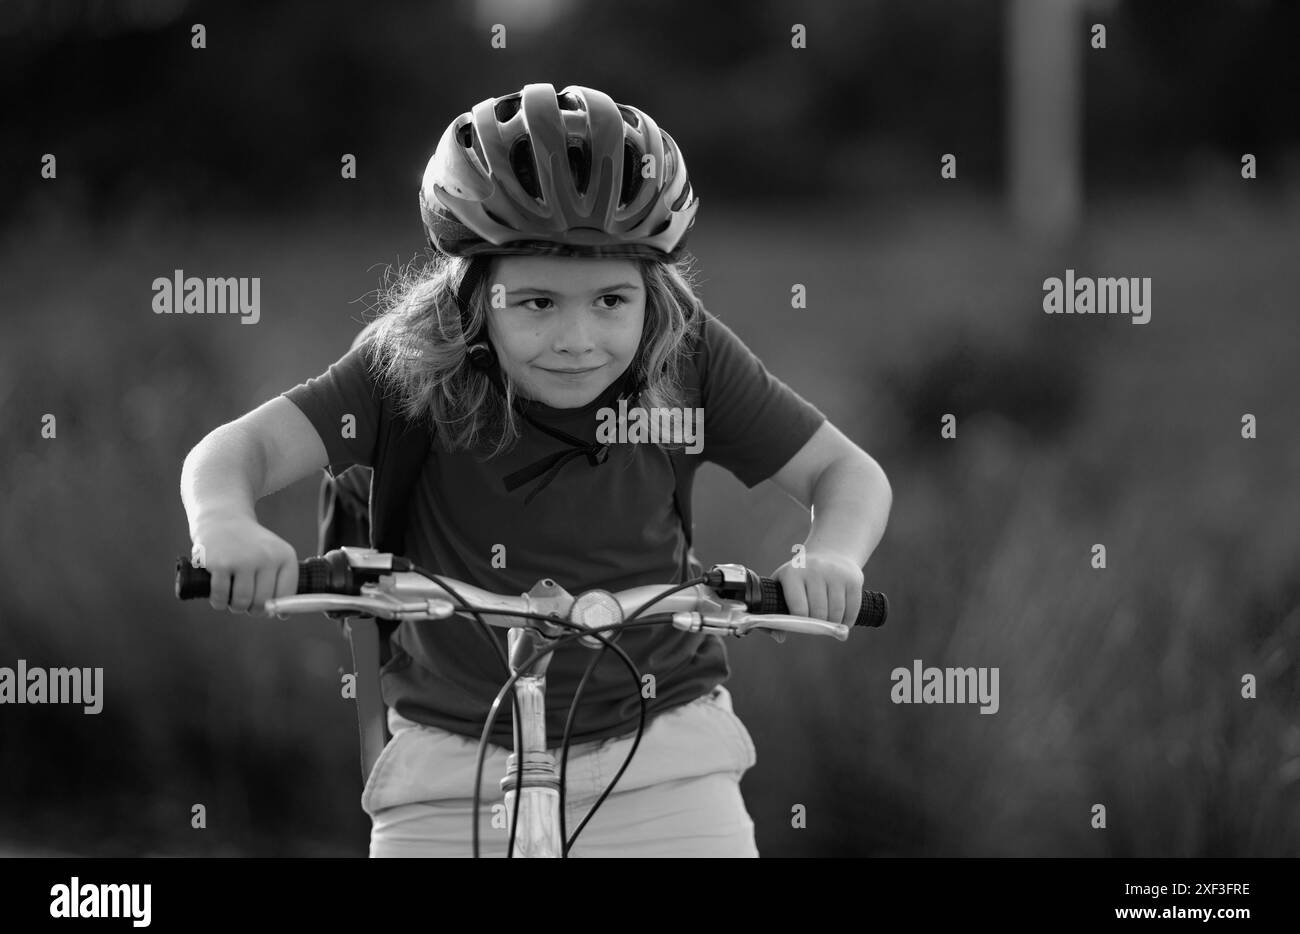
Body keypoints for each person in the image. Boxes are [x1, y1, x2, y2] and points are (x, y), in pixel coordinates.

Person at [179, 82, 892, 857]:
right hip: (453, 769)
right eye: (539, 303)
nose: (579, 338)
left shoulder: (688, 355)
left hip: (665, 756)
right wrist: (224, 525)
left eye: (612, 301)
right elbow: (233, 452)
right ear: (474, 293)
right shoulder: (408, 366)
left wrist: (831, 556)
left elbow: (847, 474)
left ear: (653, 295)